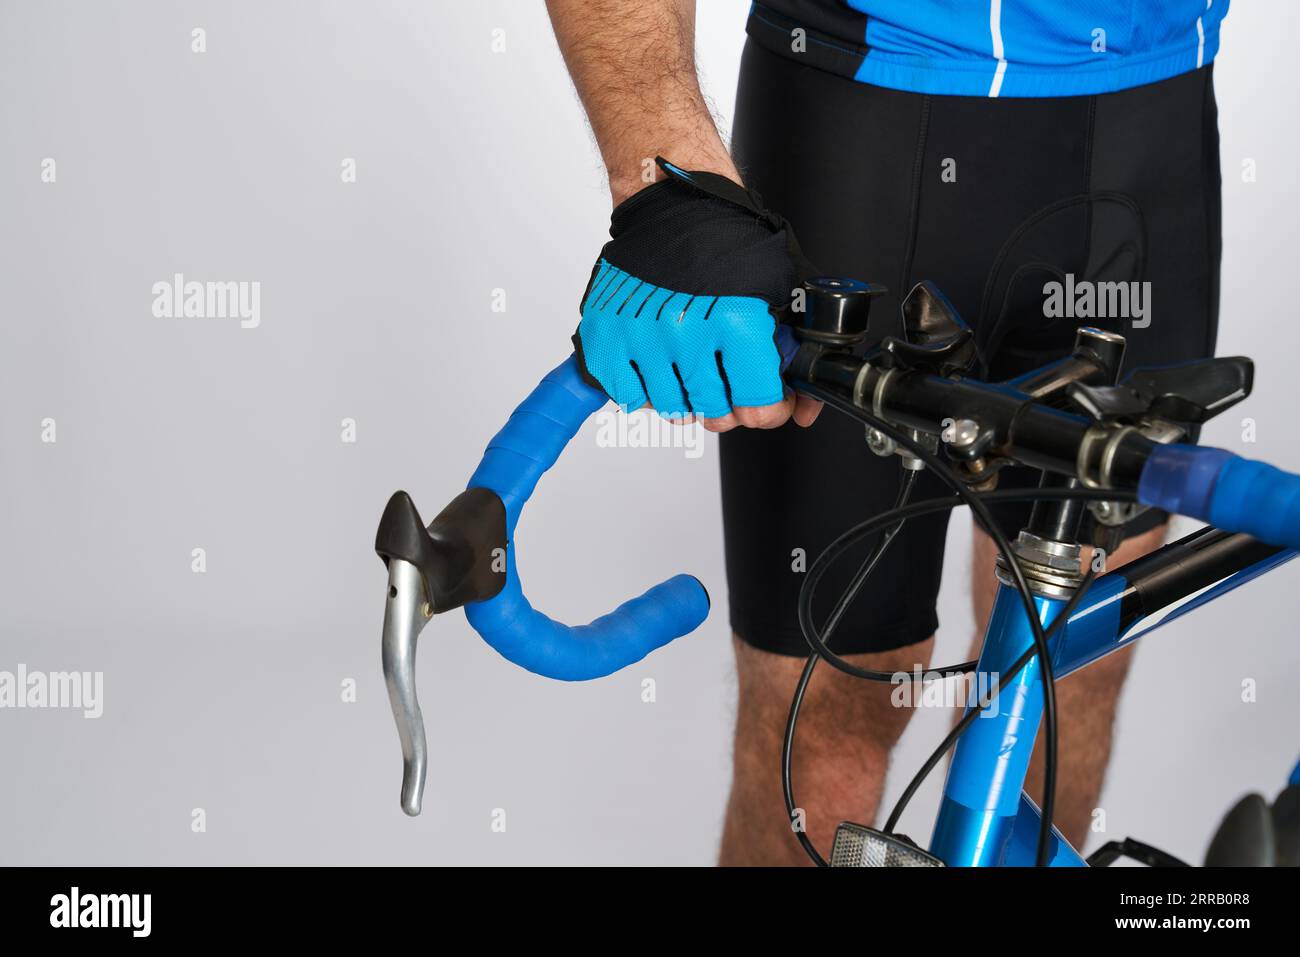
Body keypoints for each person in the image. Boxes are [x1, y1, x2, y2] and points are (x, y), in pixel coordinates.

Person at [545, 0, 1227, 865]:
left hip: (1152, 118)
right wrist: (661, 178)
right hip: (865, 109)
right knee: (827, 713)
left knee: (1068, 668)